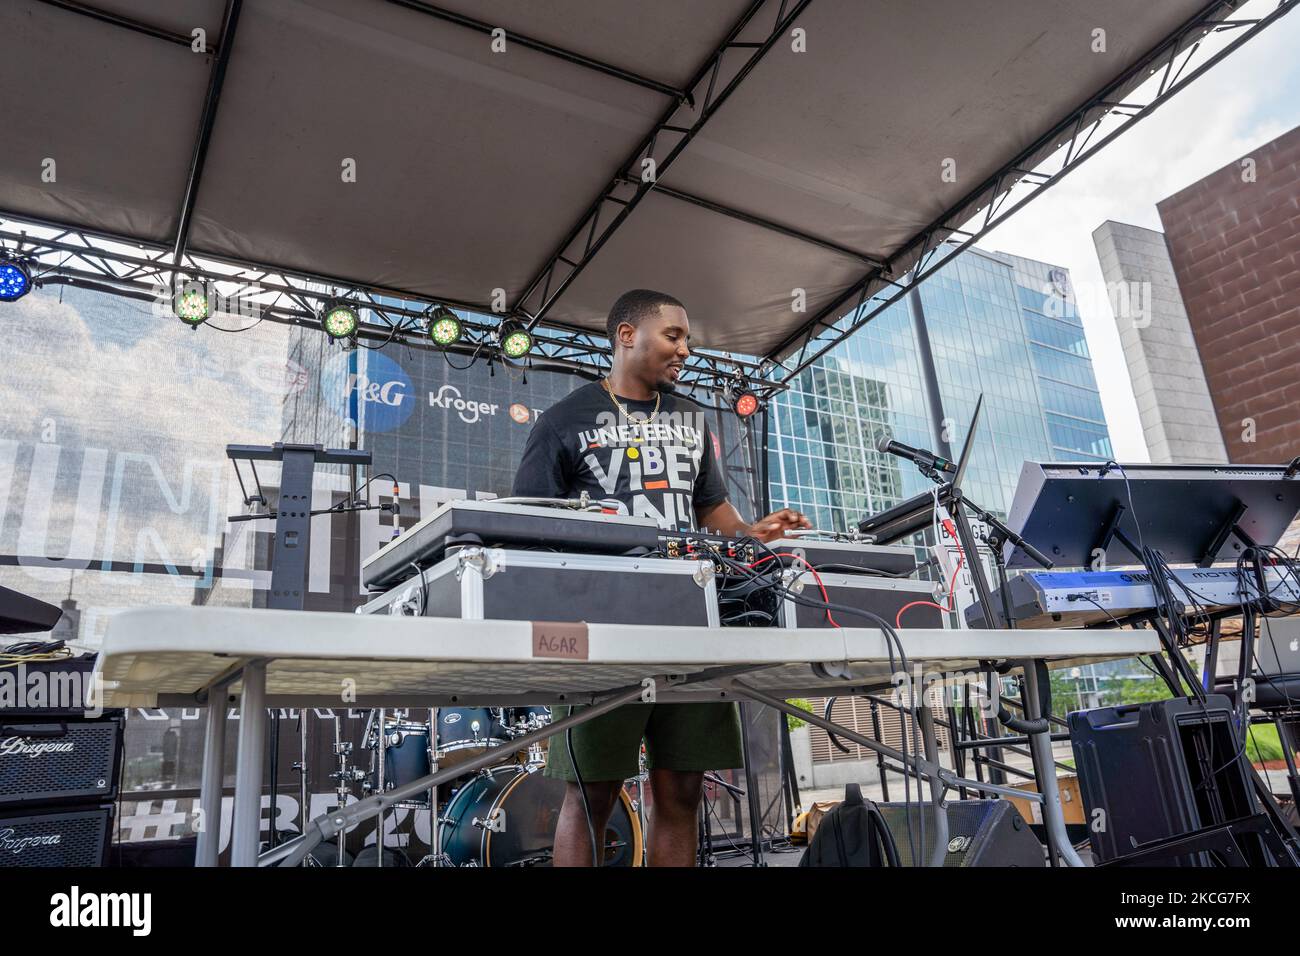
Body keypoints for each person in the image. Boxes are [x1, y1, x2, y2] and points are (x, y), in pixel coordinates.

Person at [512, 288, 809, 866]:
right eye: (674, 336)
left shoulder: (689, 417)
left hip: (692, 626)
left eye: (688, 340)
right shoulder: (564, 420)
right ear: (627, 335)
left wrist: (759, 533)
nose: (685, 350)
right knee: (592, 792)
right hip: (604, 630)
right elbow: (530, 529)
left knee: (681, 789)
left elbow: (715, 517)